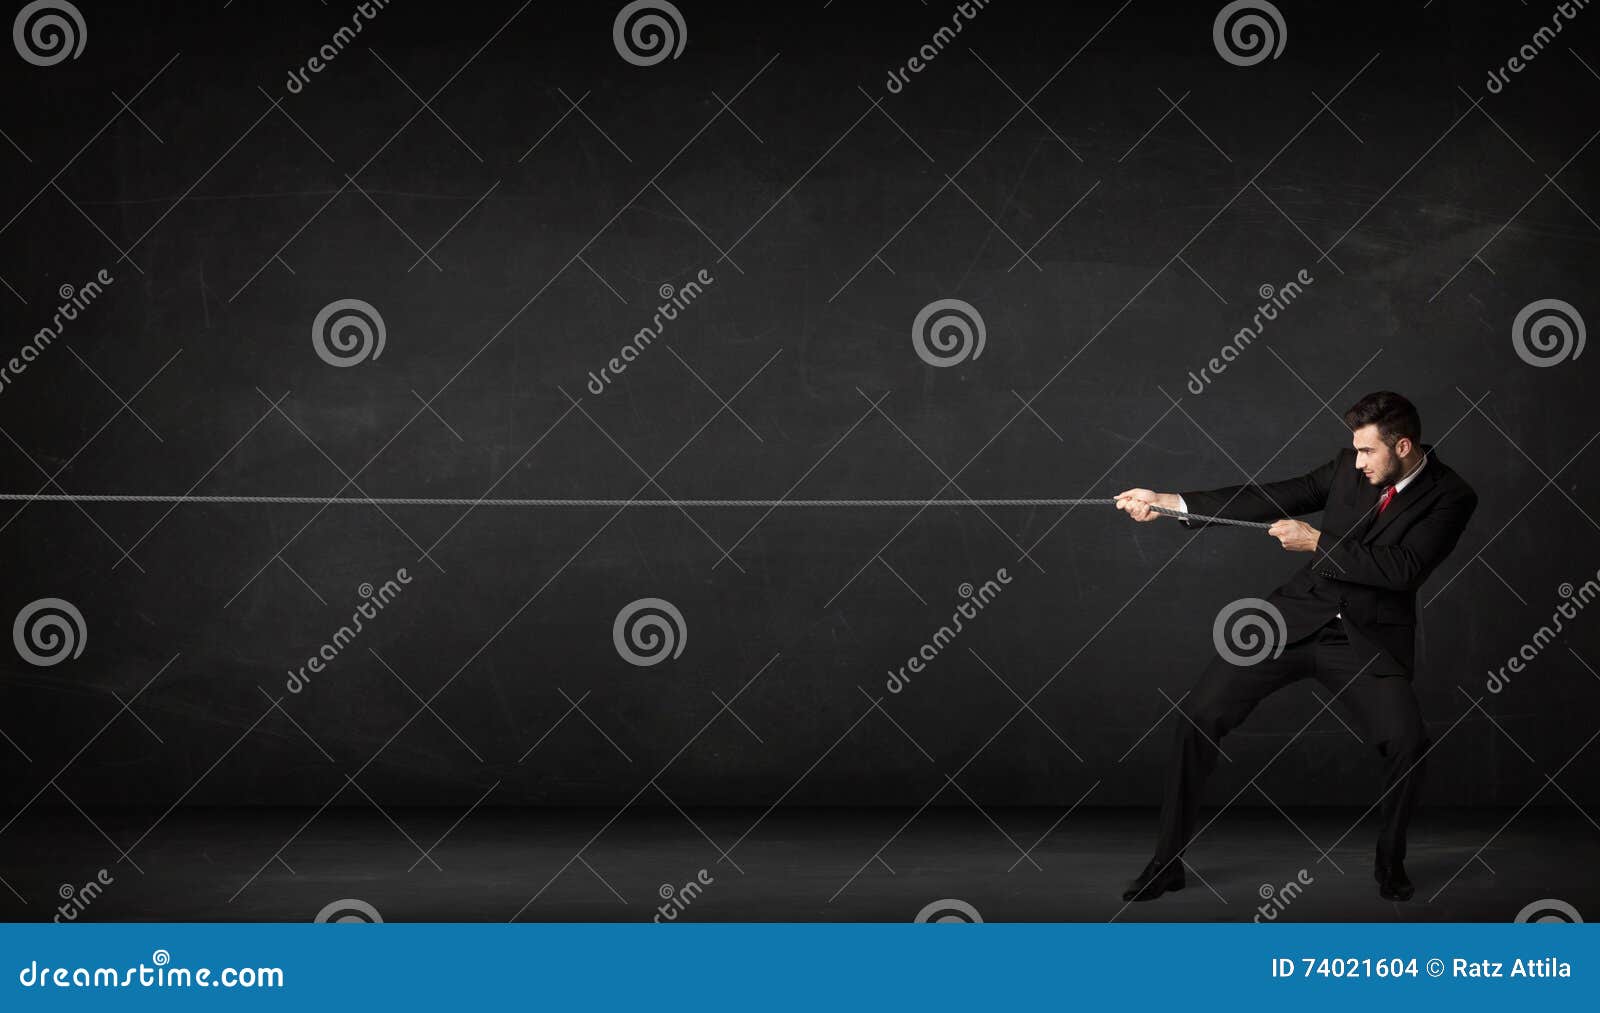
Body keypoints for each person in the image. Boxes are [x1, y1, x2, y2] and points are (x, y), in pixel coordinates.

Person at [1113, 391, 1478, 902]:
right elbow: (1272, 494)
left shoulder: (1451, 496)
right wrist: (1170, 503)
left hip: (1364, 638)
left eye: (1368, 452)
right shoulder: (1349, 466)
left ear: (1403, 446)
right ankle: (1166, 863)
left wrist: (1318, 543)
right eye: (1354, 451)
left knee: (1409, 743)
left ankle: (1390, 863)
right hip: (1294, 617)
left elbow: (1403, 571)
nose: (1357, 462)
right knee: (1198, 714)